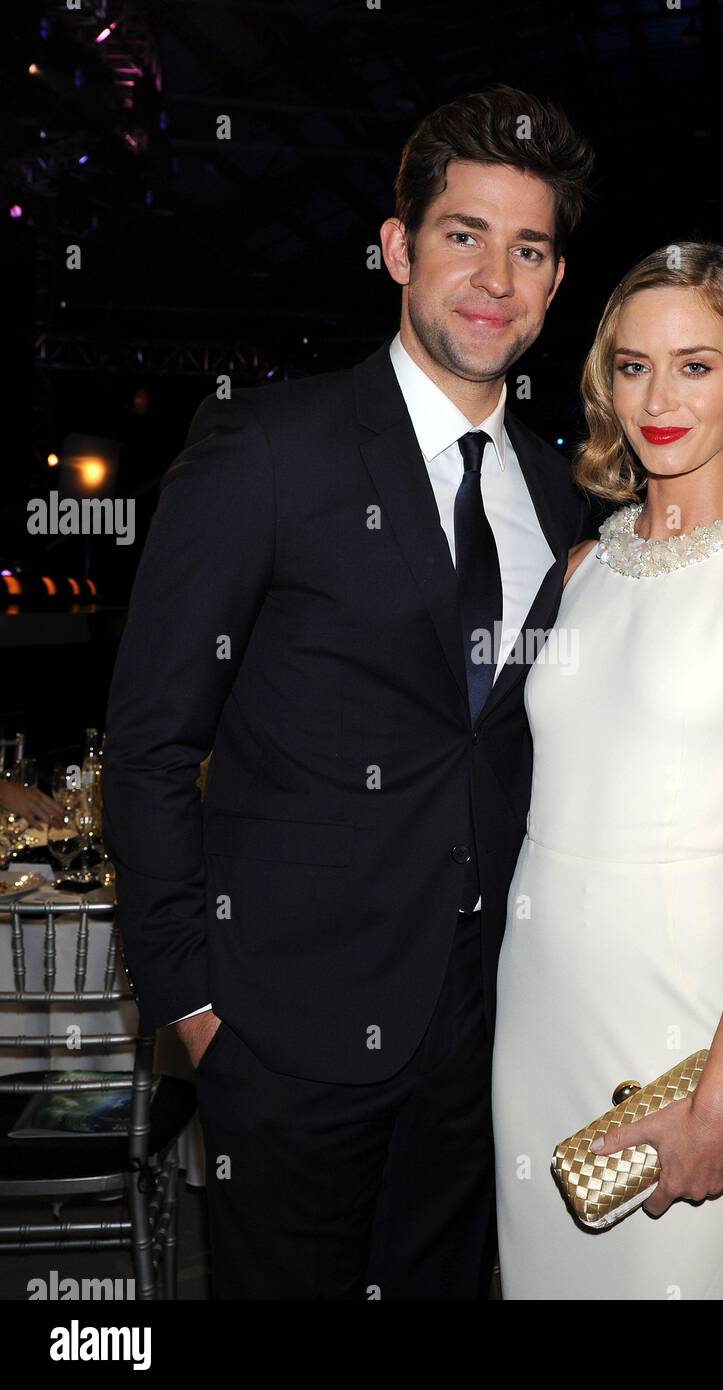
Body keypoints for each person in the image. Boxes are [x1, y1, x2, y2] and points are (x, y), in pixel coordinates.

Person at [101, 85, 597, 1300]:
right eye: (462, 234)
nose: (493, 273)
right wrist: (195, 1005)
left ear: (553, 282)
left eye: (526, 247)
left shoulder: (568, 494)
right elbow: (152, 740)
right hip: (282, 1029)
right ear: (396, 249)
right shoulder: (269, 449)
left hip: (486, 1036)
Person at [491, 242, 723, 1299]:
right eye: (633, 364)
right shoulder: (580, 569)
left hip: (691, 1016)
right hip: (539, 1007)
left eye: (697, 365)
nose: (659, 397)